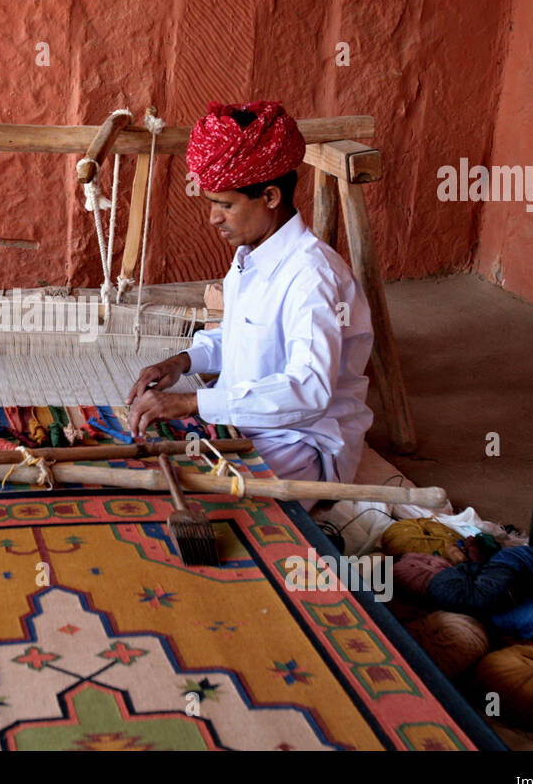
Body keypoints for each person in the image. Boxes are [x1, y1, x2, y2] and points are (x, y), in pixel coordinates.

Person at [126, 100, 373, 493]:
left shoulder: (313, 277)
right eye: (212, 204)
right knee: (133, 457)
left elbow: (309, 390)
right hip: (244, 422)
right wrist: (181, 362)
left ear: (271, 197)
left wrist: (192, 404)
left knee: (184, 495)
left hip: (300, 442)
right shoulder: (251, 257)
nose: (213, 218)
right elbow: (242, 336)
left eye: (225, 205)